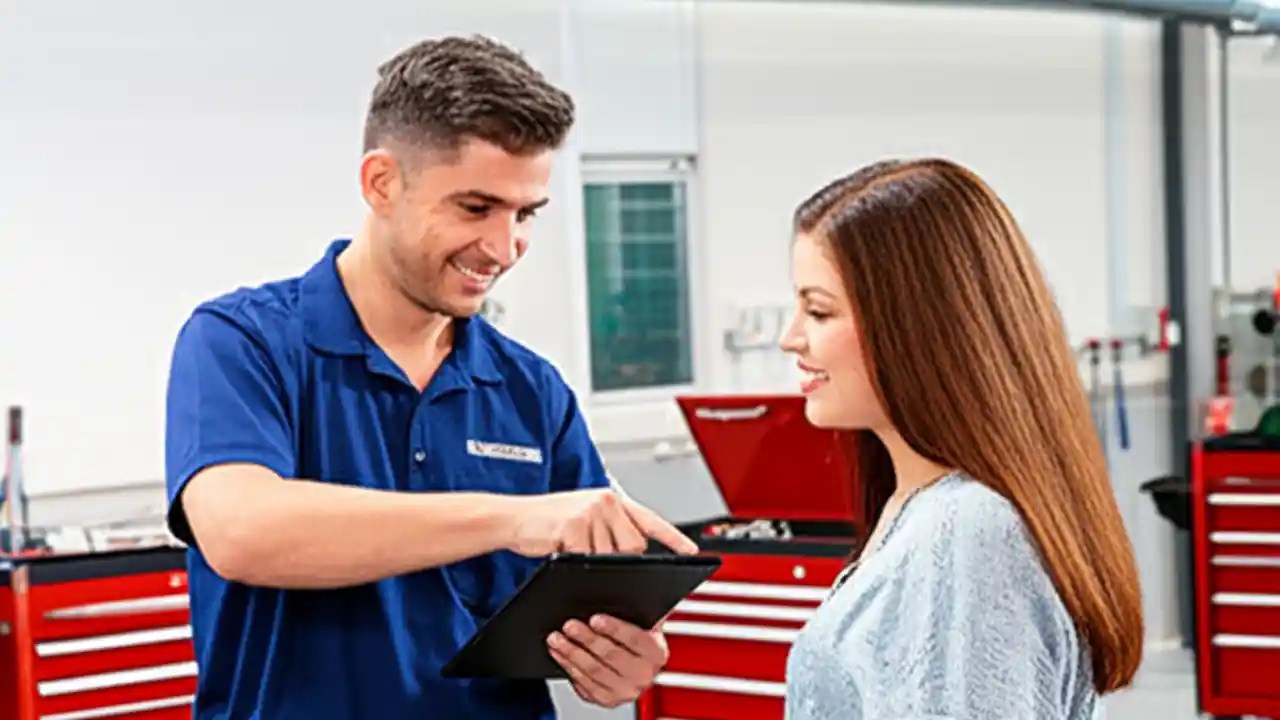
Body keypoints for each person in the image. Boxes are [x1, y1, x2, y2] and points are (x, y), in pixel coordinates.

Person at [163, 35, 697, 720]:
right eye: (475, 209)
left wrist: (620, 659)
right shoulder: (242, 343)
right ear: (382, 183)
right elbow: (243, 532)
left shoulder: (532, 391)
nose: (504, 249)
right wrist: (512, 518)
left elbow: (588, 607)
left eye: (525, 214)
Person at [778, 158, 1144, 719]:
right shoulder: (916, 508)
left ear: (914, 326)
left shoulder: (969, 532)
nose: (790, 338)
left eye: (819, 311)